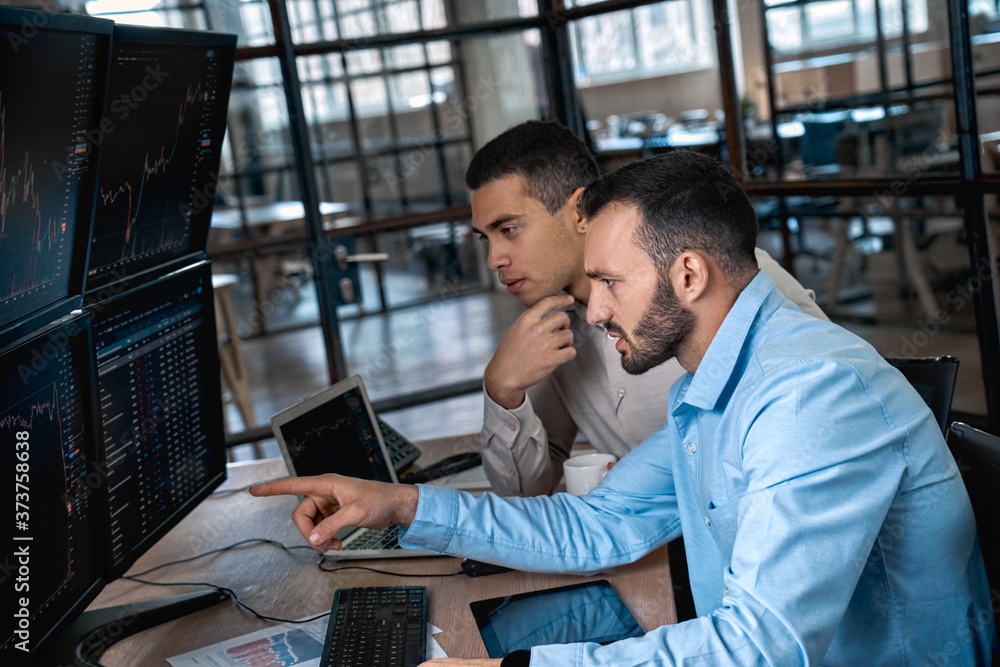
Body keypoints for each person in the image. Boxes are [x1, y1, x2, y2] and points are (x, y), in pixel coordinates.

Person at [252, 151, 994, 665]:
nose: (594, 309)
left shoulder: (809, 393)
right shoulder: (712, 386)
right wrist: (405, 505)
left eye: (610, 282)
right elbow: (597, 522)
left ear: (690, 274)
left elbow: (762, 647)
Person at [466, 120, 828, 497]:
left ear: (578, 211)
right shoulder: (554, 326)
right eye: (484, 238)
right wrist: (501, 389)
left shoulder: (725, 273)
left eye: (508, 229)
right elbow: (526, 490)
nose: (494, 260)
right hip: (650, 540)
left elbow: (819, 408)